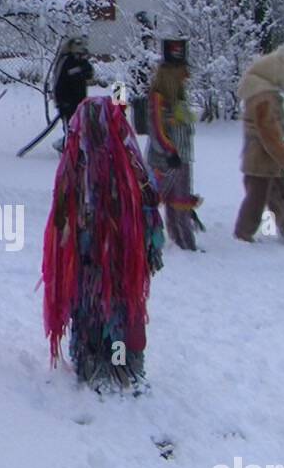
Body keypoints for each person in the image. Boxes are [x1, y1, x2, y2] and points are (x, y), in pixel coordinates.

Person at [42, 96, 164, 395]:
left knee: (103, 310)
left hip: (108, 255)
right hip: (104, 256)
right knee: (110, 311)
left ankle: (105, 365)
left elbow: (64, 213)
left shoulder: (85, 161)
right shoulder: (114, 159)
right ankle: (114, 364)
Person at [234, 44, 284, 246]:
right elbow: (268, 131)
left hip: (262, 156)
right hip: (262, 157)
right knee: (258, 199)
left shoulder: (261, 93)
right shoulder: (264, 97)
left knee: (277, 194)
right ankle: (244, 233)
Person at [146, 39, 203, 251]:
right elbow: (156, 130)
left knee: (180, 201)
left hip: (183, 158)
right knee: (152, 200)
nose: (186, 76)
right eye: (182, 71)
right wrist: (169, 151)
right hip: (166, 160)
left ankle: (185, 242)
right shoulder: (158, 98)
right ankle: (146, 240)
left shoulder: (179, 96)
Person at [52, 36, 94, 151]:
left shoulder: (82, 62)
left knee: (81, 126)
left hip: (80, 101)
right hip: (66, 101)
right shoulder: (65, 61)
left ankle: (78, 148)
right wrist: (60, 101)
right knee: (70, 127)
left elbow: (89, 74)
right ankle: (68, 148)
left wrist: (84, 69)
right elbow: (58, 81)